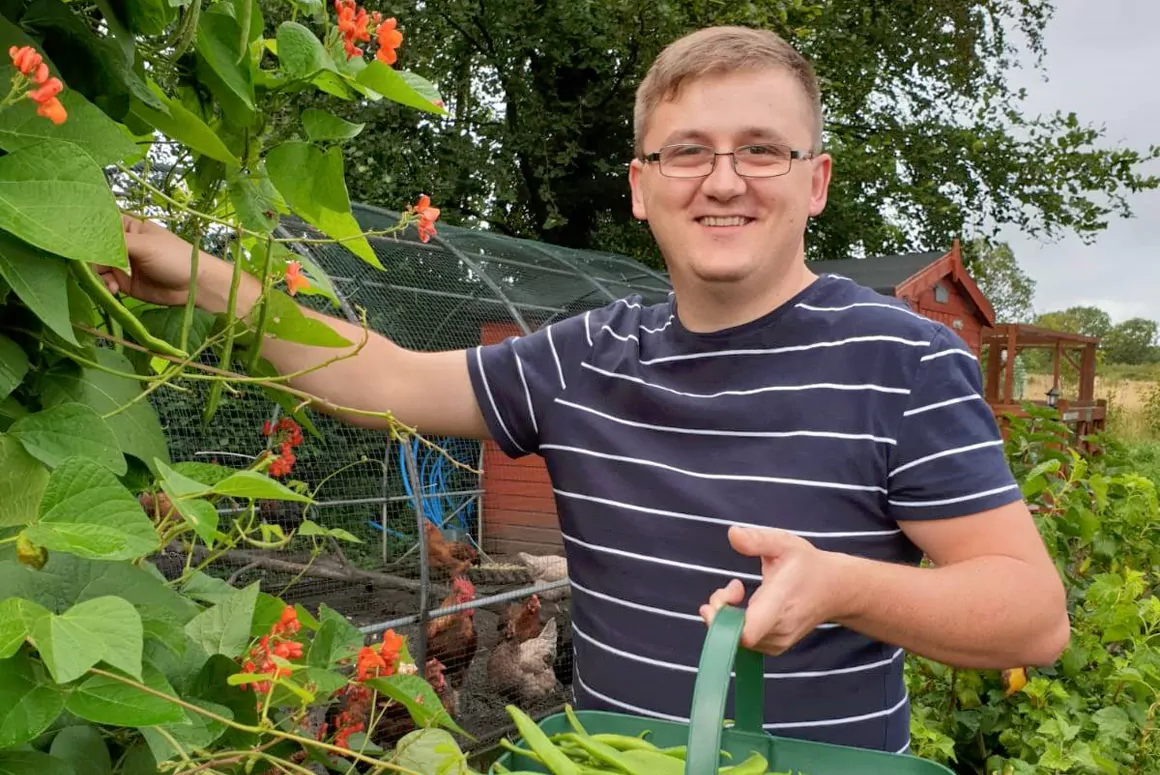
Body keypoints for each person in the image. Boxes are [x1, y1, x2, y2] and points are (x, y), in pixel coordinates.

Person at [105, 25, 1069, 755]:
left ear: (813, 181)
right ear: (641, 187)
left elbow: (1032, 614)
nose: (723, 180)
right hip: (619, 764)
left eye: (761, 149)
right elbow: (387, 377)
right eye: (686, 150)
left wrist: (849, 587)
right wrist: (199, 272)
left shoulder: (901, 359)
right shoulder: (584, 355)